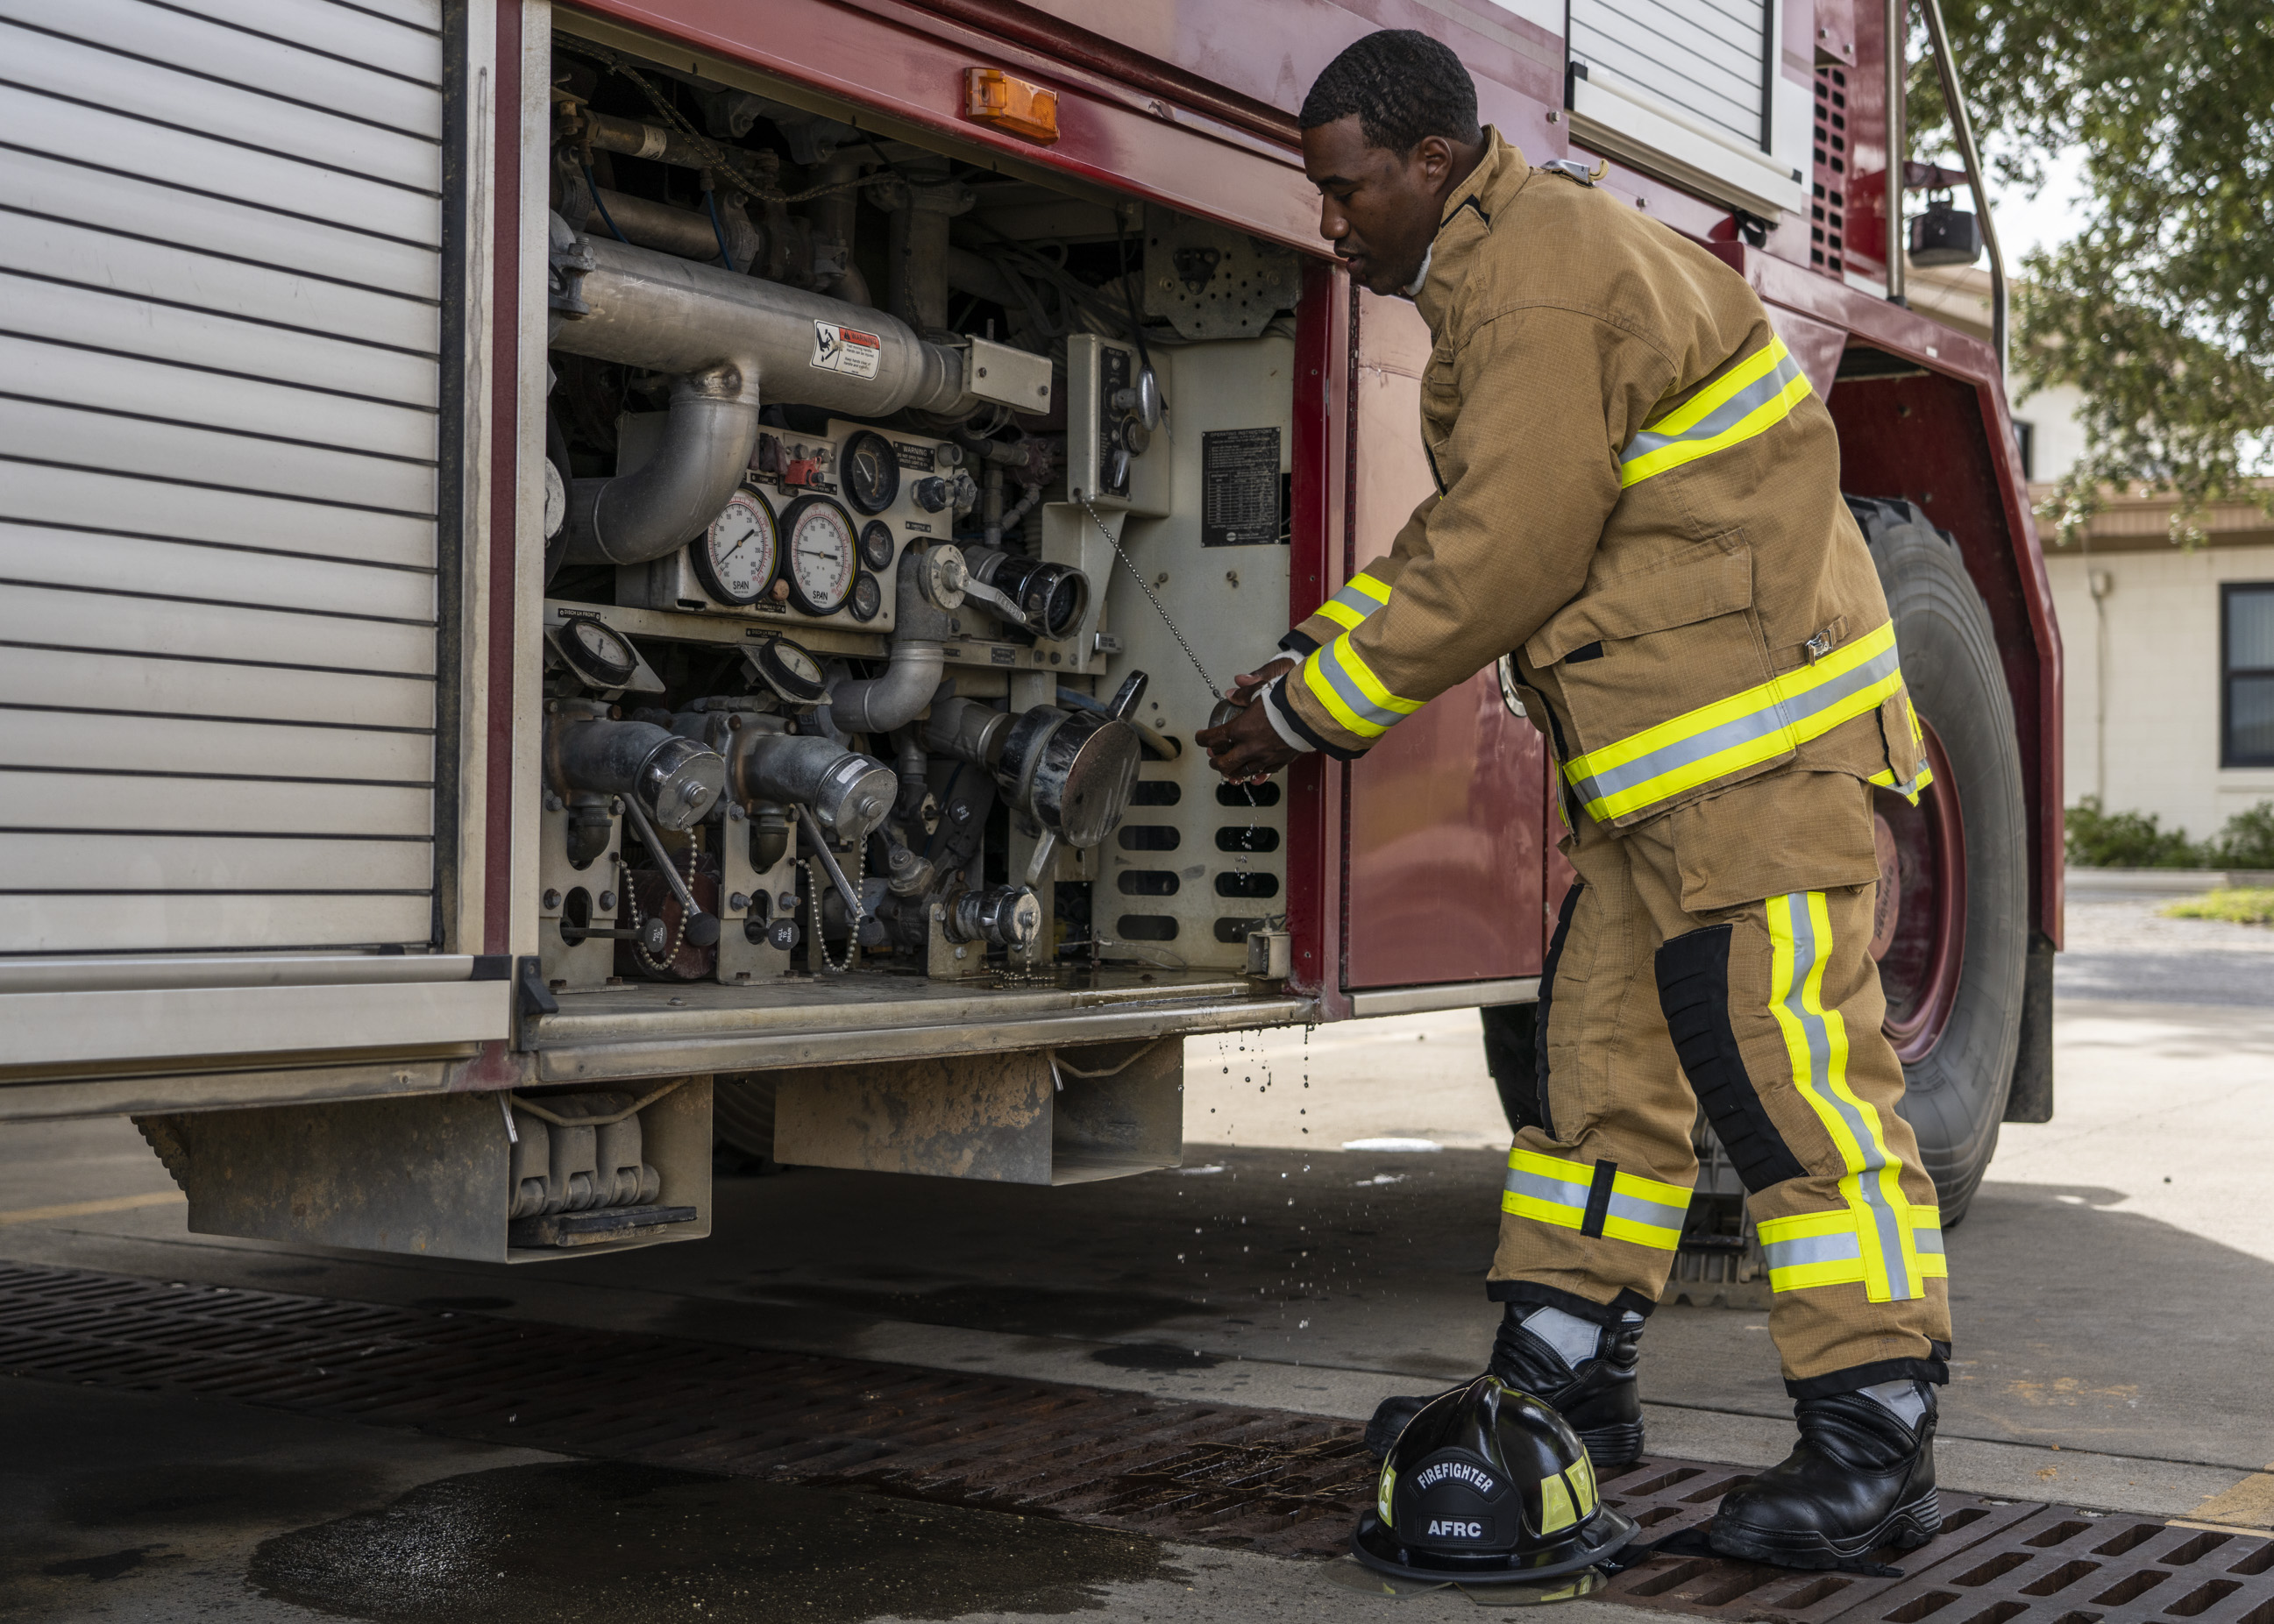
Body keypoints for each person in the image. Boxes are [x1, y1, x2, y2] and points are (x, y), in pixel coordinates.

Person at [1195, 29, 1951, 1570]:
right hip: (1663, 788)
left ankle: (1875, 1437)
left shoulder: (1537, 277)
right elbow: (1469, 531)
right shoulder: (1510, 269)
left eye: (1346, 192)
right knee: (1599, 1087)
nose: (1330, 224)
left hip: (1749, 770)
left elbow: (1514, 554)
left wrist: (1312, 713)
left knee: (1795, 1097)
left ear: (1432, 161)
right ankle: (1562, 1377)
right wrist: (1309, 653)